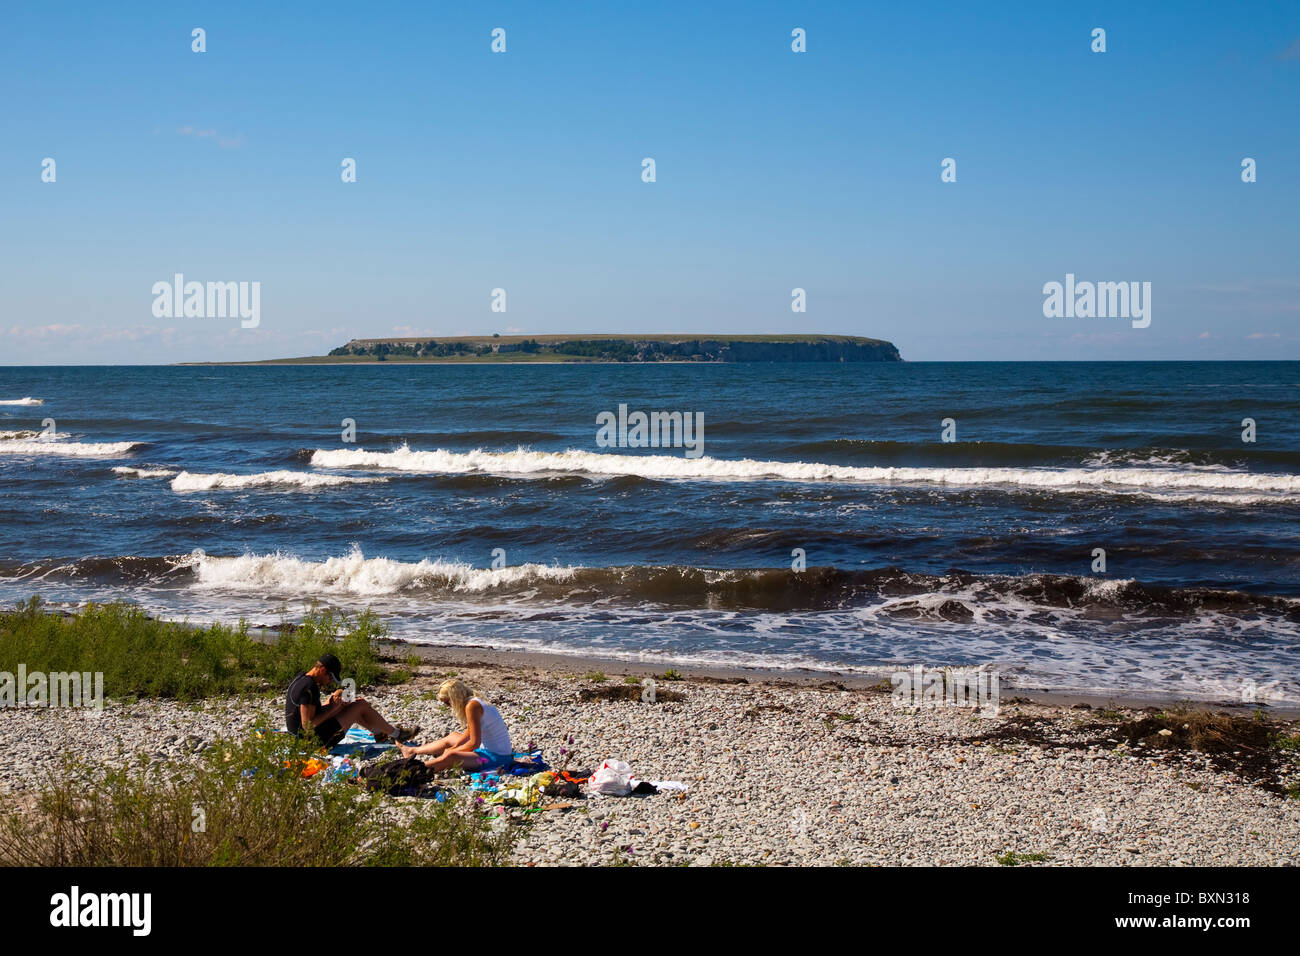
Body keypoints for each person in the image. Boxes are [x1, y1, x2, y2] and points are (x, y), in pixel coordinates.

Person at [284, 653, 419, 747]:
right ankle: (396, 734)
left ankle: (380, 733)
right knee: (359, 705)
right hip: (310, 743)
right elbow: (308, 726)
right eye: (330, 678)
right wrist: (332, 708)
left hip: (297, 738)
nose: (329, 682)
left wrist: (334, 701)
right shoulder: (309, 688)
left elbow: (309, 711)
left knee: (352, 704)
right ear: (323, 670)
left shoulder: (301, 678)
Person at [398, 678, 512, 771]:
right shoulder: (475, 701)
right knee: (453, 737)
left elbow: (474, 743)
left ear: (455, 698)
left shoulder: (471, 706)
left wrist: (452, 751)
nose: (449, 706)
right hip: (492, 749)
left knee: (450, 757)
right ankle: (412, 751)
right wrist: (455, 747)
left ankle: (410, 771)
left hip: (497, 757)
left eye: (448, 702)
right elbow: (469, 733)